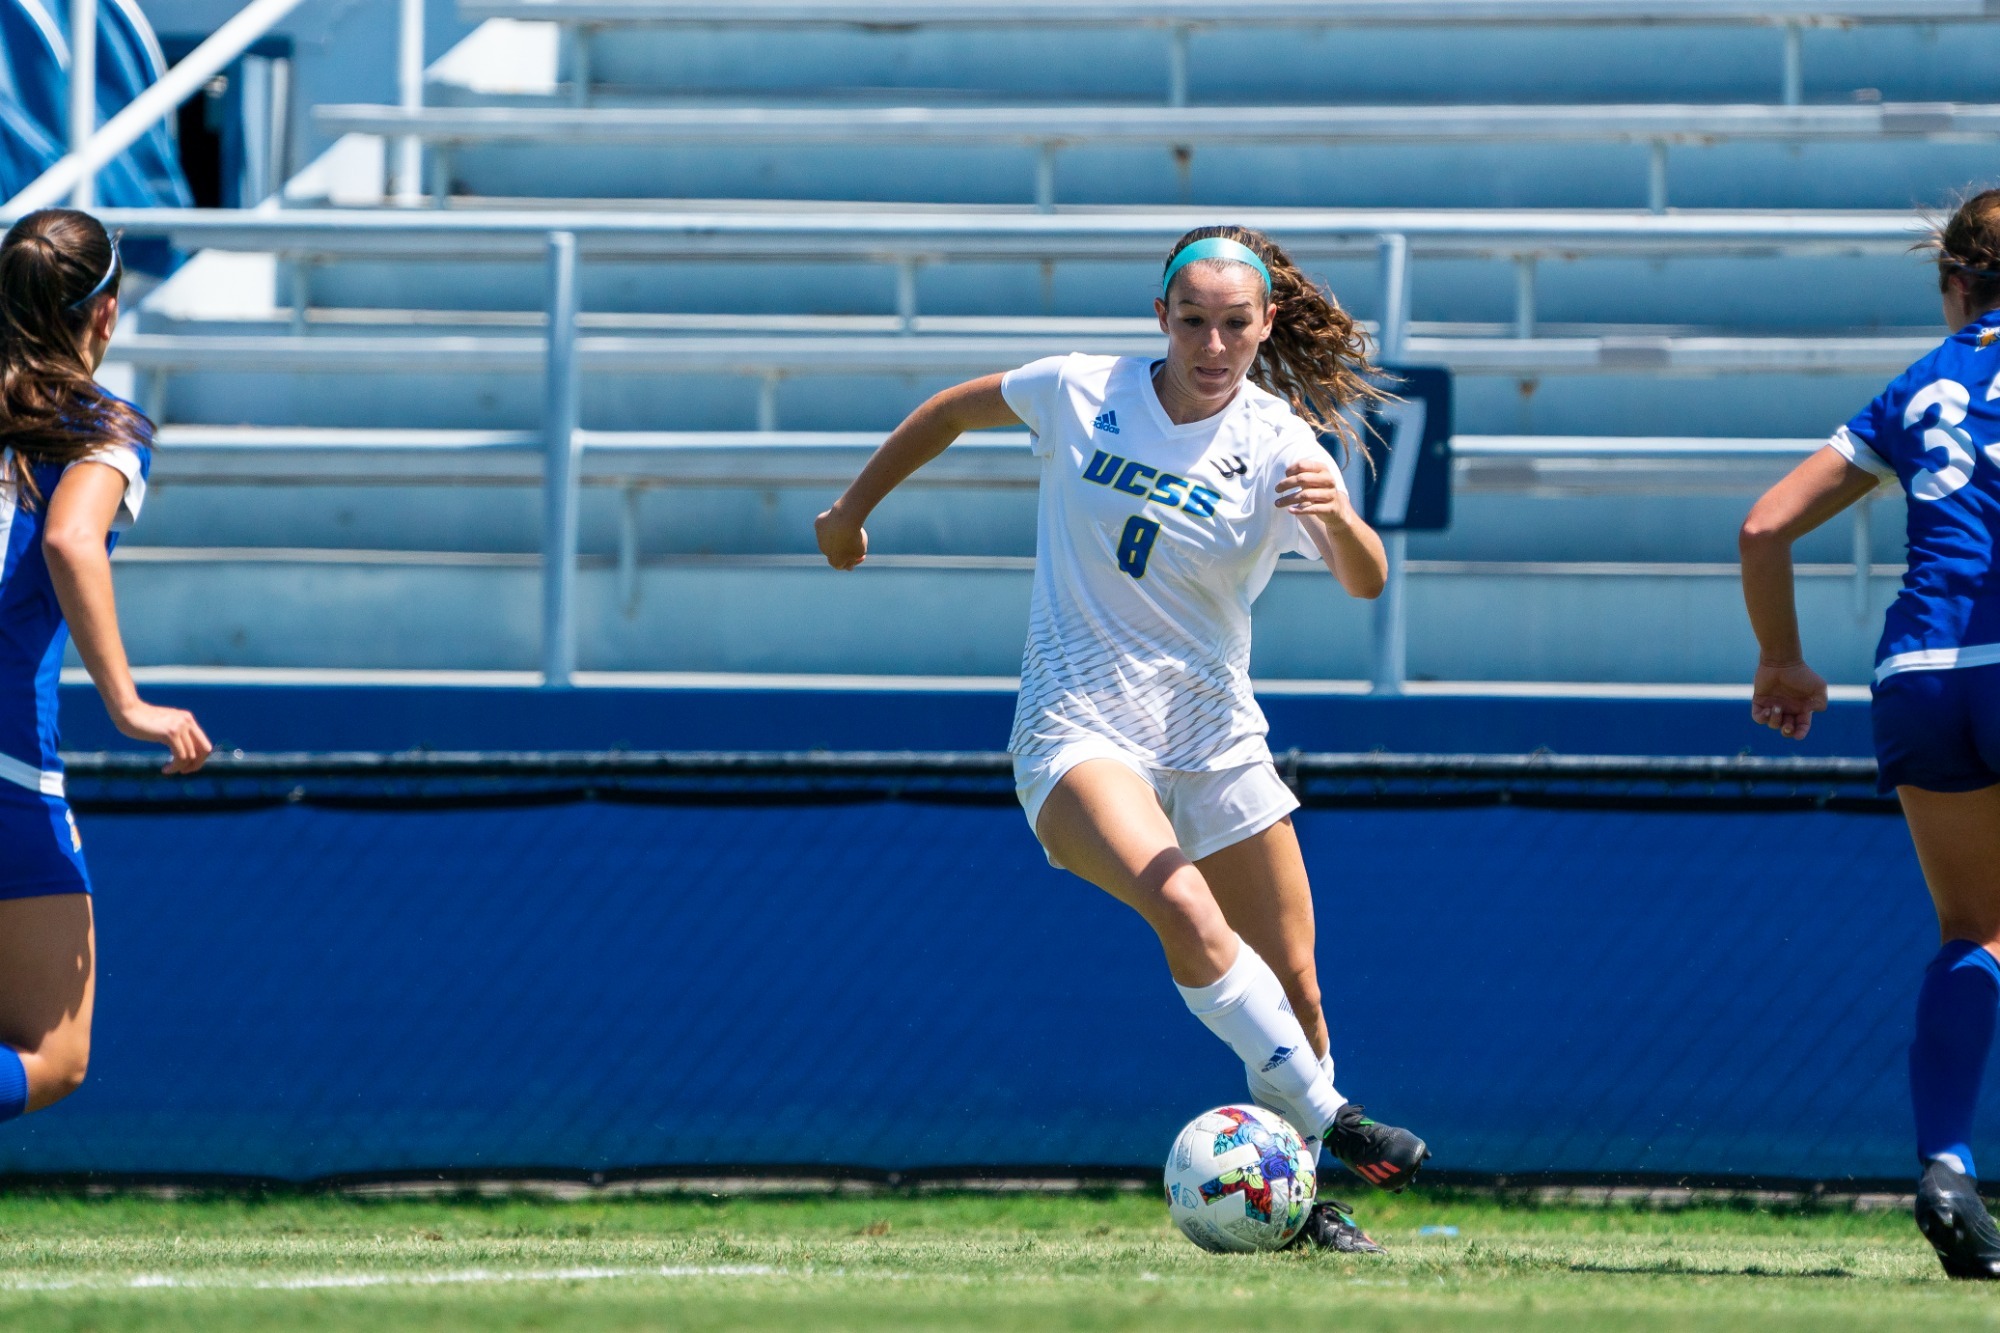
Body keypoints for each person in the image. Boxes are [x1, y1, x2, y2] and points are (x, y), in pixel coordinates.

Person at [816, 225, 1429, 1253]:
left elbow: (1365, 581)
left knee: (1297, 986)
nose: (1212, 343)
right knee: (1180, 903)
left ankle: (1296, 1206)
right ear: (1161, 318)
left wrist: (1341, 518)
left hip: (1214, 736)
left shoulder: (1280, 442)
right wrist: (849, 510)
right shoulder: (1079, 388)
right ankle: (1335, 1118)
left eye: (1235, 324)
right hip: (1079, 724)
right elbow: (950, 411)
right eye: (1192, 320)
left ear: (1263, 324)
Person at [1741, 188, 2000, 1279]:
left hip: (1919, 674)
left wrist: (1781, 660)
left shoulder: (1919, 383)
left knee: (1973, 930)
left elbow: (1761, 524)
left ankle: (1942, 1158)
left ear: (1951, 281)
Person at [0, 209, 211, 1131]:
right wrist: (128, 703)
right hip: (5, 757)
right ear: (105, 314)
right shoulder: (98, 425)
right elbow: (69, 537)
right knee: (53, 1054)